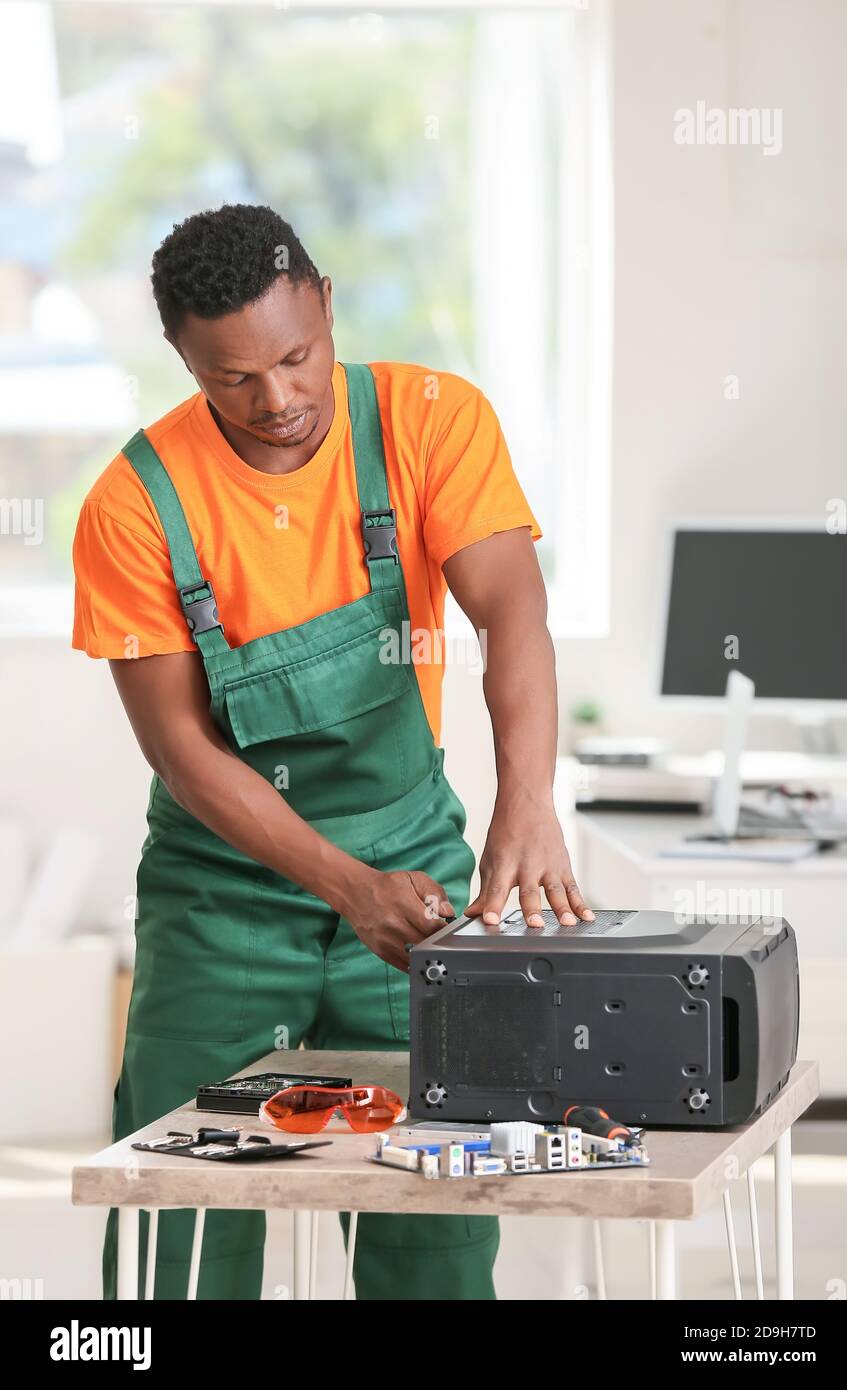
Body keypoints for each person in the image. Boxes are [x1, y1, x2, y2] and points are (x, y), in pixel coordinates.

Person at [71, 202, 593, 1300]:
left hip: (412, 870)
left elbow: (510, 610)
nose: (278, 401)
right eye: (234, 380)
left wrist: (528, 800)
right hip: (220, 902)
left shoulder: (426, 419)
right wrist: (343, 886)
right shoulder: (134, 504)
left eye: (297, 356)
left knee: (438, 1209)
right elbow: (179, 749)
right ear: (182, 360)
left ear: (325, 306)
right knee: (182, 1220)